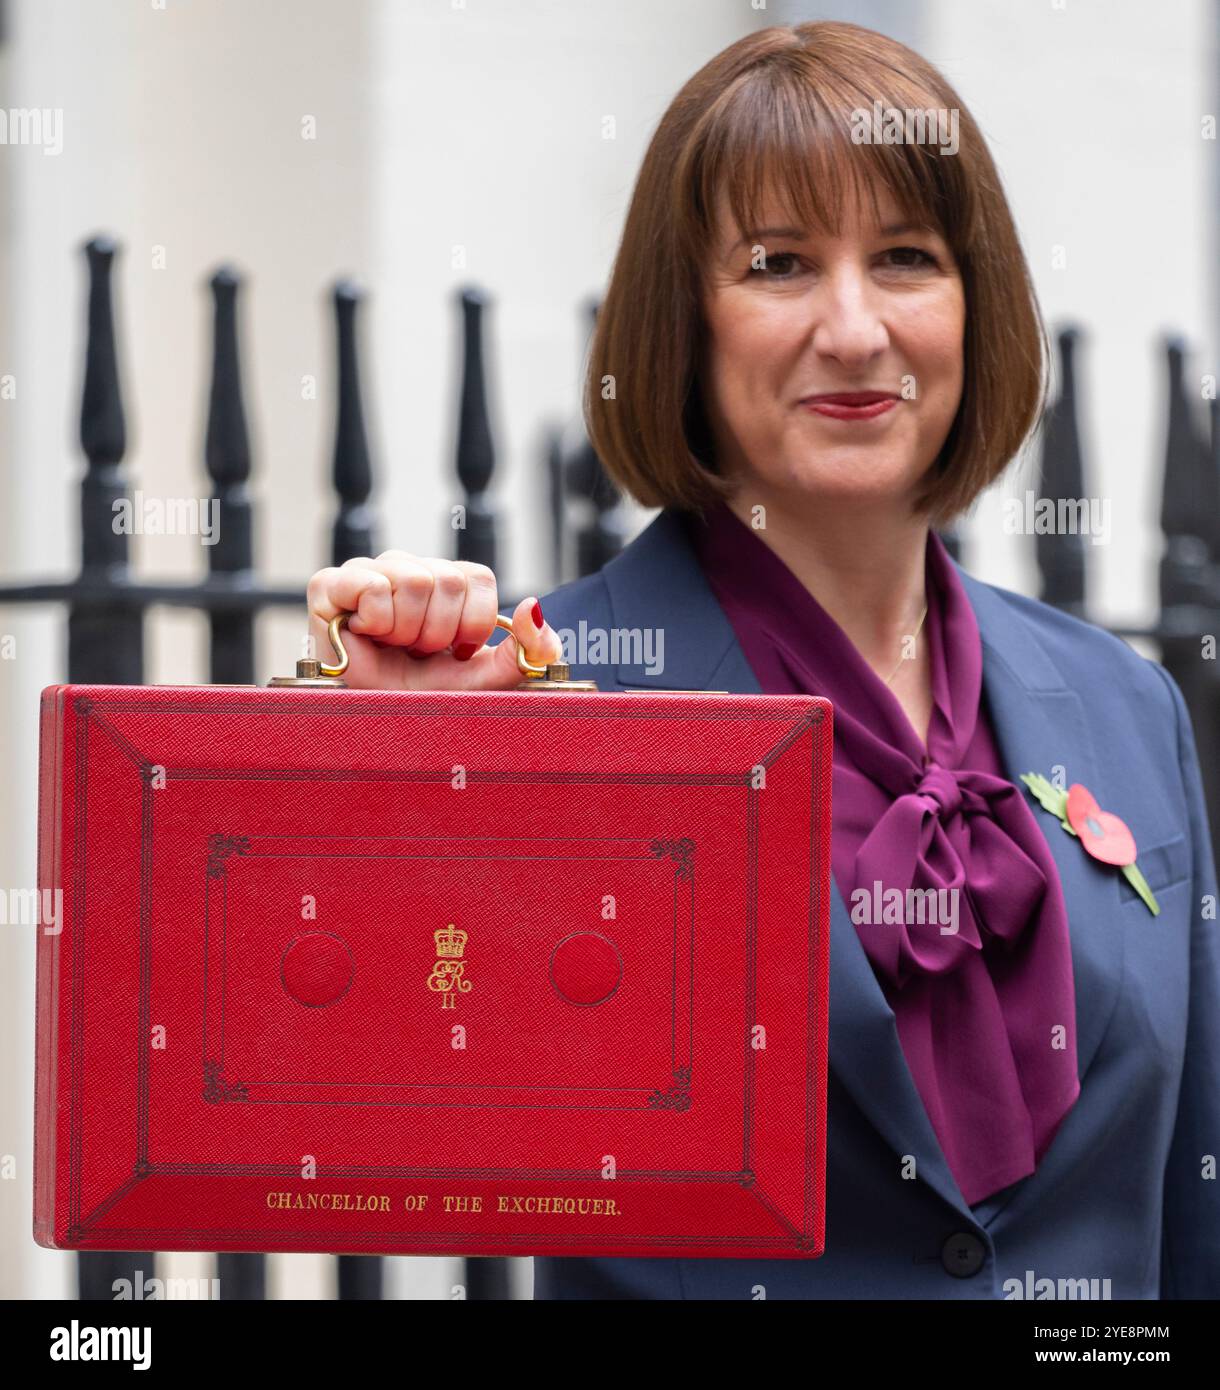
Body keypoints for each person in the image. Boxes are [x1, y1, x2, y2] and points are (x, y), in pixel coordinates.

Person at [306, 21, 1219, 1299]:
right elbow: (346, 1120)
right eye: (777, 264)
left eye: (905, 257)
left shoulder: (1126, 704)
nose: (852, 329)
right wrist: (386, 779)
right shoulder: (543, 695)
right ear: (685, 320)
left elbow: (1188, 1212)